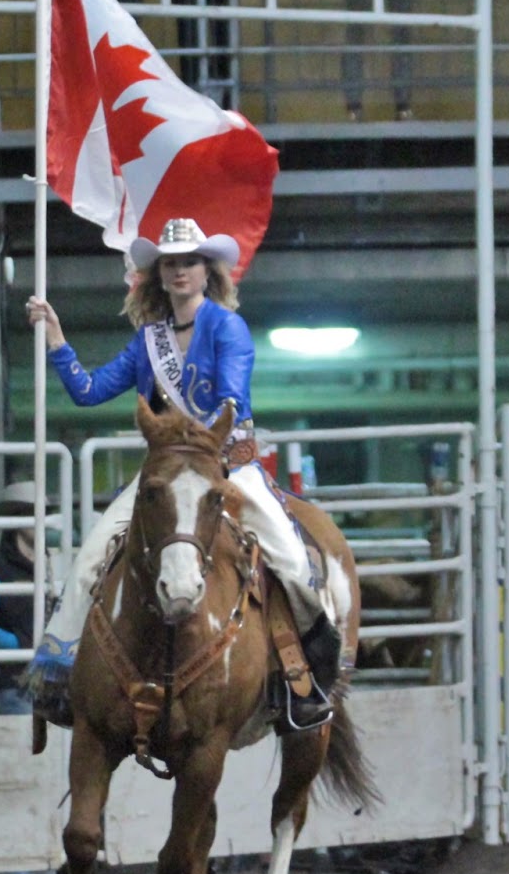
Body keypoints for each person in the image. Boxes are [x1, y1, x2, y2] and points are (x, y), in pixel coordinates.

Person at [25, 217, 338, 729]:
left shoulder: (226, 326)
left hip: (226, 464)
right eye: (170, 263)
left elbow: (232, 397)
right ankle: (57, 678)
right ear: (158, 274)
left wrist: (199, 439)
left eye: (189, 261)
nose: (179, 271)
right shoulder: (147, 339)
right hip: (169, 469)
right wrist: (58, 341)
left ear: (206, 270)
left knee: (290, 558)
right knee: (89, 558)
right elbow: (88, 391)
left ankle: (306, 677)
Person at [0, 481, 63, 874]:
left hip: (42, 677)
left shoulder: (42, 562)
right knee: (22, 766)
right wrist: (25, 642)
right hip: (17, 677)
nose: (40, 521)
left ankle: (32, 861)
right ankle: (18, 864)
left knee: (36, 768)